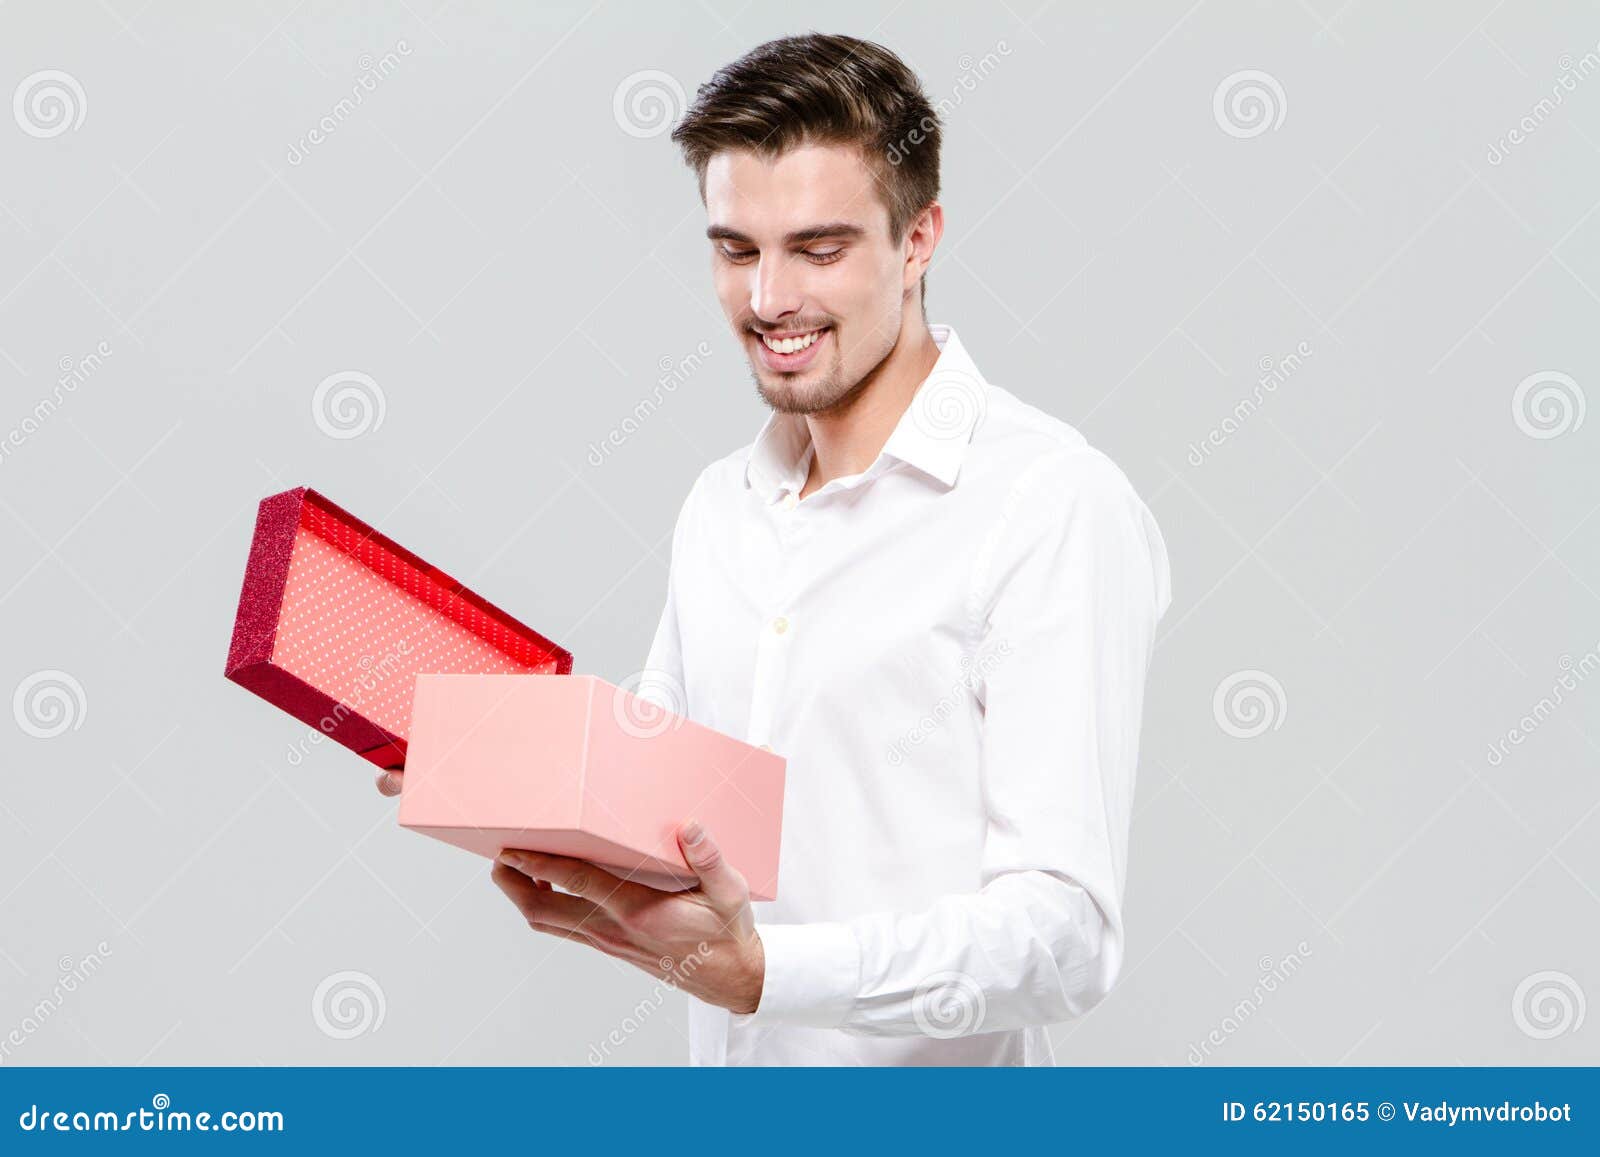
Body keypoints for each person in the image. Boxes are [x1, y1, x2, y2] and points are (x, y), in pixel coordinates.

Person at [380, 32, 1171, 1066]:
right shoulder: (722, 504)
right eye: (736, 249)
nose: (768, 301)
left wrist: (772, 974)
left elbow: (1064, 938)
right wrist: (499, 775)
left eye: (819, 248)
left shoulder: (1047, 502)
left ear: (919, 237)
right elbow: (667, 808)